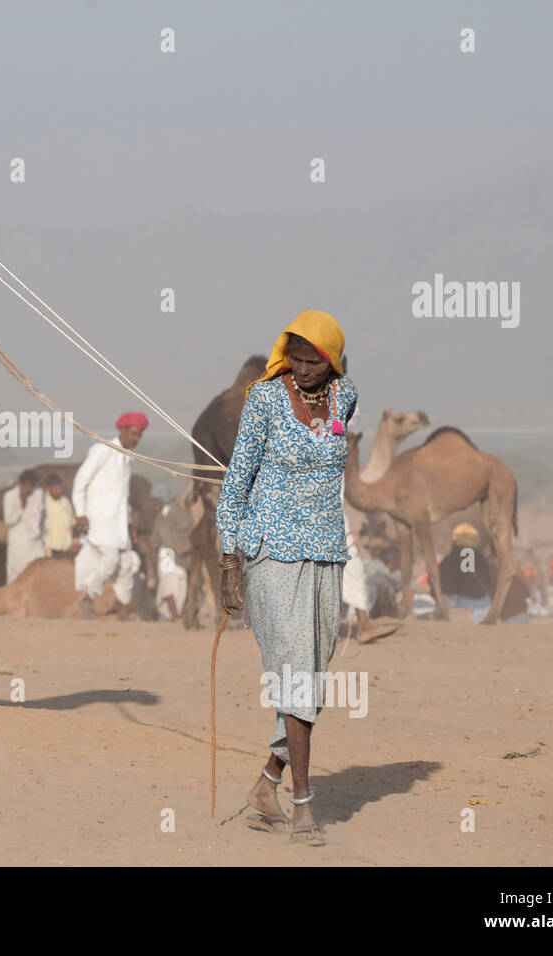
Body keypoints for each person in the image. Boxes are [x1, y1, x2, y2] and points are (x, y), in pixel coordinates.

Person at [216, 310, 357, 846]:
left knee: (313, 679)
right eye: (294, 358)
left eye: (312, 361)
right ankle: (303, 805)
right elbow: (237, 481)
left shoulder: (346, 398)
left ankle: (266, 783)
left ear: (332, 362)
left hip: (326, 552)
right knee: (296, 672)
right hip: (270, 552)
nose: (301, 369)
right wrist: (229, 562)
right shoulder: (265, 401)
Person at [73, 412, 147, 618]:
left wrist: (130, 523)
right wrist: (80, 513)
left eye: (139, 435)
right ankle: (88, 598)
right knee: (111, 561)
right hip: (100, 520)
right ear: (122, 431)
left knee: (125, 564)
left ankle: (124, 607)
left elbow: (123, 496)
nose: (136, 439)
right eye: (133, 434)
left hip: (119, 522)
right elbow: (80, 481)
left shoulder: (127, 460)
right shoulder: (102, 450)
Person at [146, 482, 191, 621]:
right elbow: (155, 536)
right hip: (165, 555)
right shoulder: (160, 515)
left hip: (178, 554)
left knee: (178, 583)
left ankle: (175, 613)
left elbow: (186, 532)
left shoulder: (179, 513)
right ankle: (171, 613)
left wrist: (170, 541)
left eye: (155, 499)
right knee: (167, 582)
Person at [2, 469, 45, 583]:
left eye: (32, 486)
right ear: (21, 484)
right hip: (18, 545)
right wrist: (22, 505)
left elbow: (41, 517)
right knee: (16, 578)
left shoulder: (39, 493)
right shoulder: (9, 496)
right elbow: (8, 521)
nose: (30, 489)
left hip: (35, 544)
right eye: (27, 486)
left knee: (37, 577)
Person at [364, 545, 402, 619]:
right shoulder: (383, 572)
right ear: (392, 561)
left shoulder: (372, 564)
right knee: (385, 589)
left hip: (362, 608)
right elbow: (398, 584)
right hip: (368, 610)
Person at [42, 474, 76, 557]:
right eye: (55, 489)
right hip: (49, 547)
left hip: (65, 546)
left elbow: (72, 522)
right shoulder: (43, 503)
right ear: (48, 488)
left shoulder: (65, 502)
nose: (58, 491)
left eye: (60, 488)